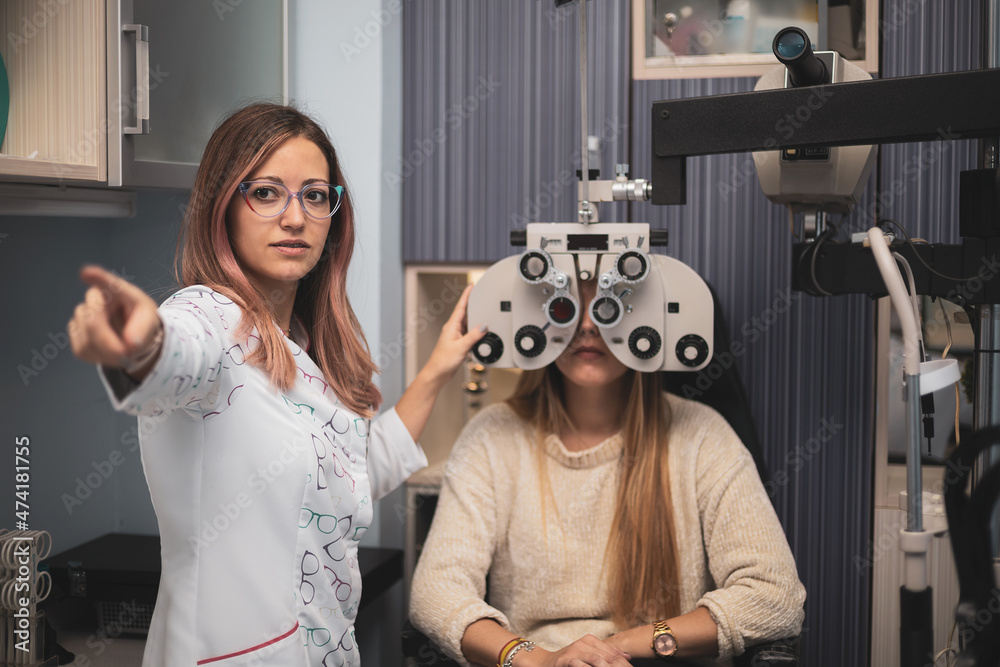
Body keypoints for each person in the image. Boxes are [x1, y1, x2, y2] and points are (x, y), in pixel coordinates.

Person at [68, 103, 485, 667]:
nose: (296, 218)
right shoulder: (206, 318)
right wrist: (139, 343)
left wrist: (439, 367)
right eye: (266, 192)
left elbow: (359, 470)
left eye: (315, 195)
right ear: (223, 205)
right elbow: (174, 355)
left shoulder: (305, 349)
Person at [409, 278, 806, 667]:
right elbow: (436, 590)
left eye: (610, 306)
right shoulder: (491, 437)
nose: (586, 325)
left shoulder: (702, 434)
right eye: (565, 307)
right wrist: (539, 660)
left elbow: (774, 595)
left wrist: (622, 646)